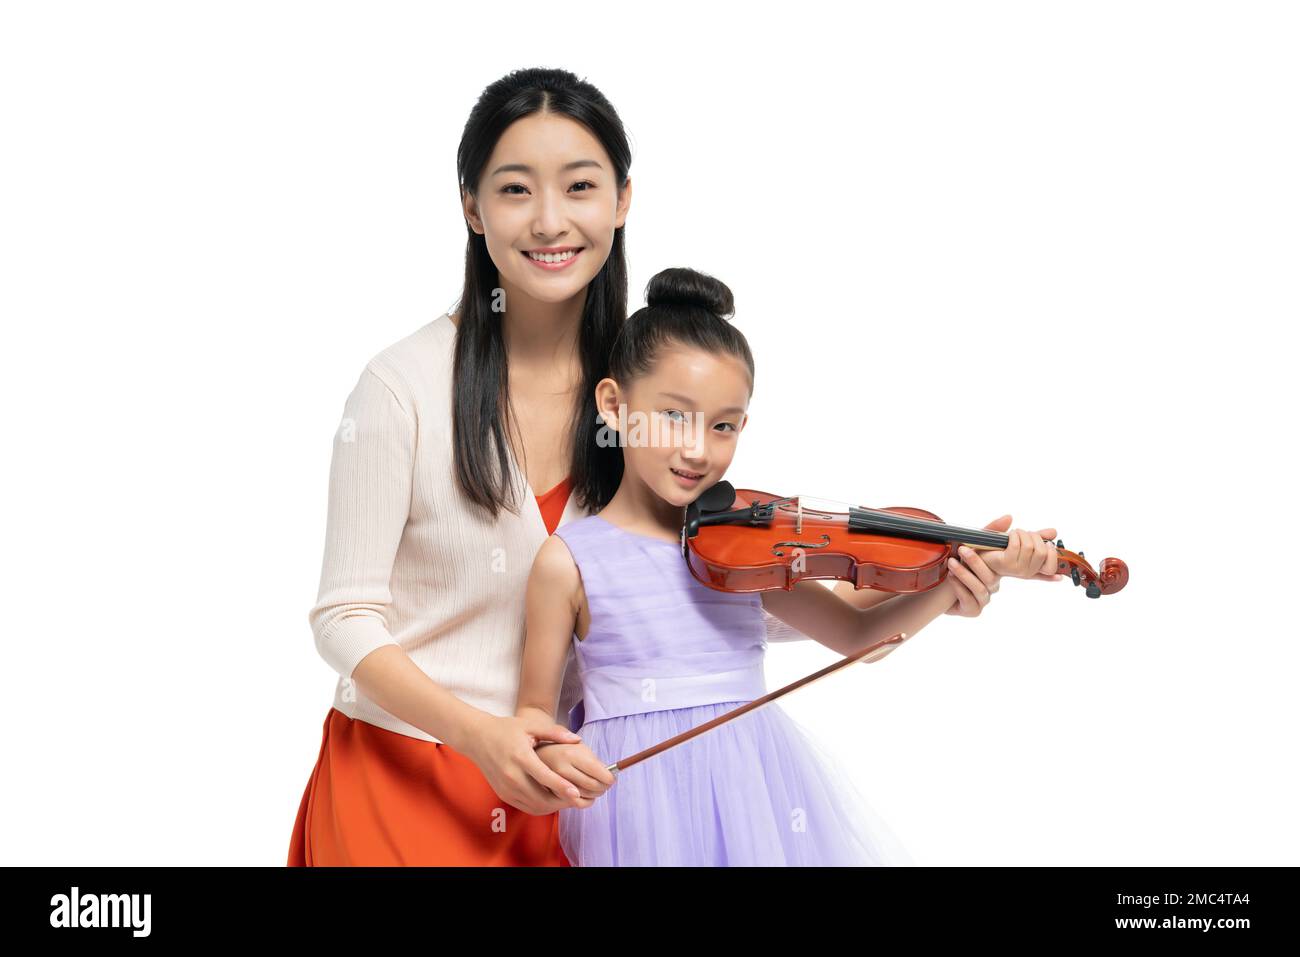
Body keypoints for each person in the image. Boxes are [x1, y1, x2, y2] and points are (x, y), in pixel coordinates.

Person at [288, 67, 1028, 866]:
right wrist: (483, 735)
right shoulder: (400, 388)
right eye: (513, 190)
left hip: (572, 792)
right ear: (471, 206)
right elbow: (343, 616)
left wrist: (918, 589)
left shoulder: (652, 388)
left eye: (579, 186)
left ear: (622, 200)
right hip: (405, 780)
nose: (549, 221)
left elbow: (689, 591)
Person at [514, 267, 1061, 865]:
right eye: (675, 415)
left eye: (723, 425)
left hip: (756, 793)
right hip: (634, 816)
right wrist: (554, 756)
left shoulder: (741, 548)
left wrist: (962, 573)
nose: (699, 449)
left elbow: (860, 638)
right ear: (616, 406)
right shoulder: (568, 560)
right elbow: (534, 718)